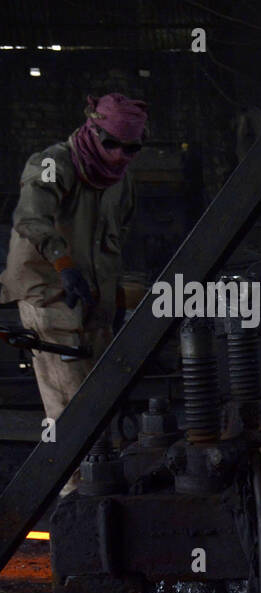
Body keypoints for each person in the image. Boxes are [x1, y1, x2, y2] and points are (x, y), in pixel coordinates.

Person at [1, 93, 147, 495]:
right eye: (111, 144)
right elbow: (31, 217)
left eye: (131, 148)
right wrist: (63, 266)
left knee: (101, 399)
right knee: (71, 408)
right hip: (51, 295)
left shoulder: (120, 182)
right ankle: (72, 502)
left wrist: (113, 296)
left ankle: (100, 496)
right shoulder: (52, 164)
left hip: (93, 299)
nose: (119, 156)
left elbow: (115, 240)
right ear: (91, 130)